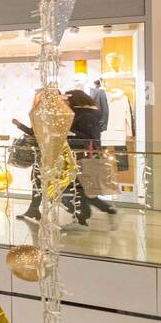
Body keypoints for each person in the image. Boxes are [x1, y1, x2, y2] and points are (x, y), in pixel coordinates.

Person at [65, 88, 116, 225]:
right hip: (80, 158)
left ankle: (85, 213)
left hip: (85, 158)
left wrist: (71, 133)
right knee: (84, 189)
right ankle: (103, 210)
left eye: (67, 100)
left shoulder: (86, 115)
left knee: (77, 188)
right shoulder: (81, 114)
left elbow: (92, 138)